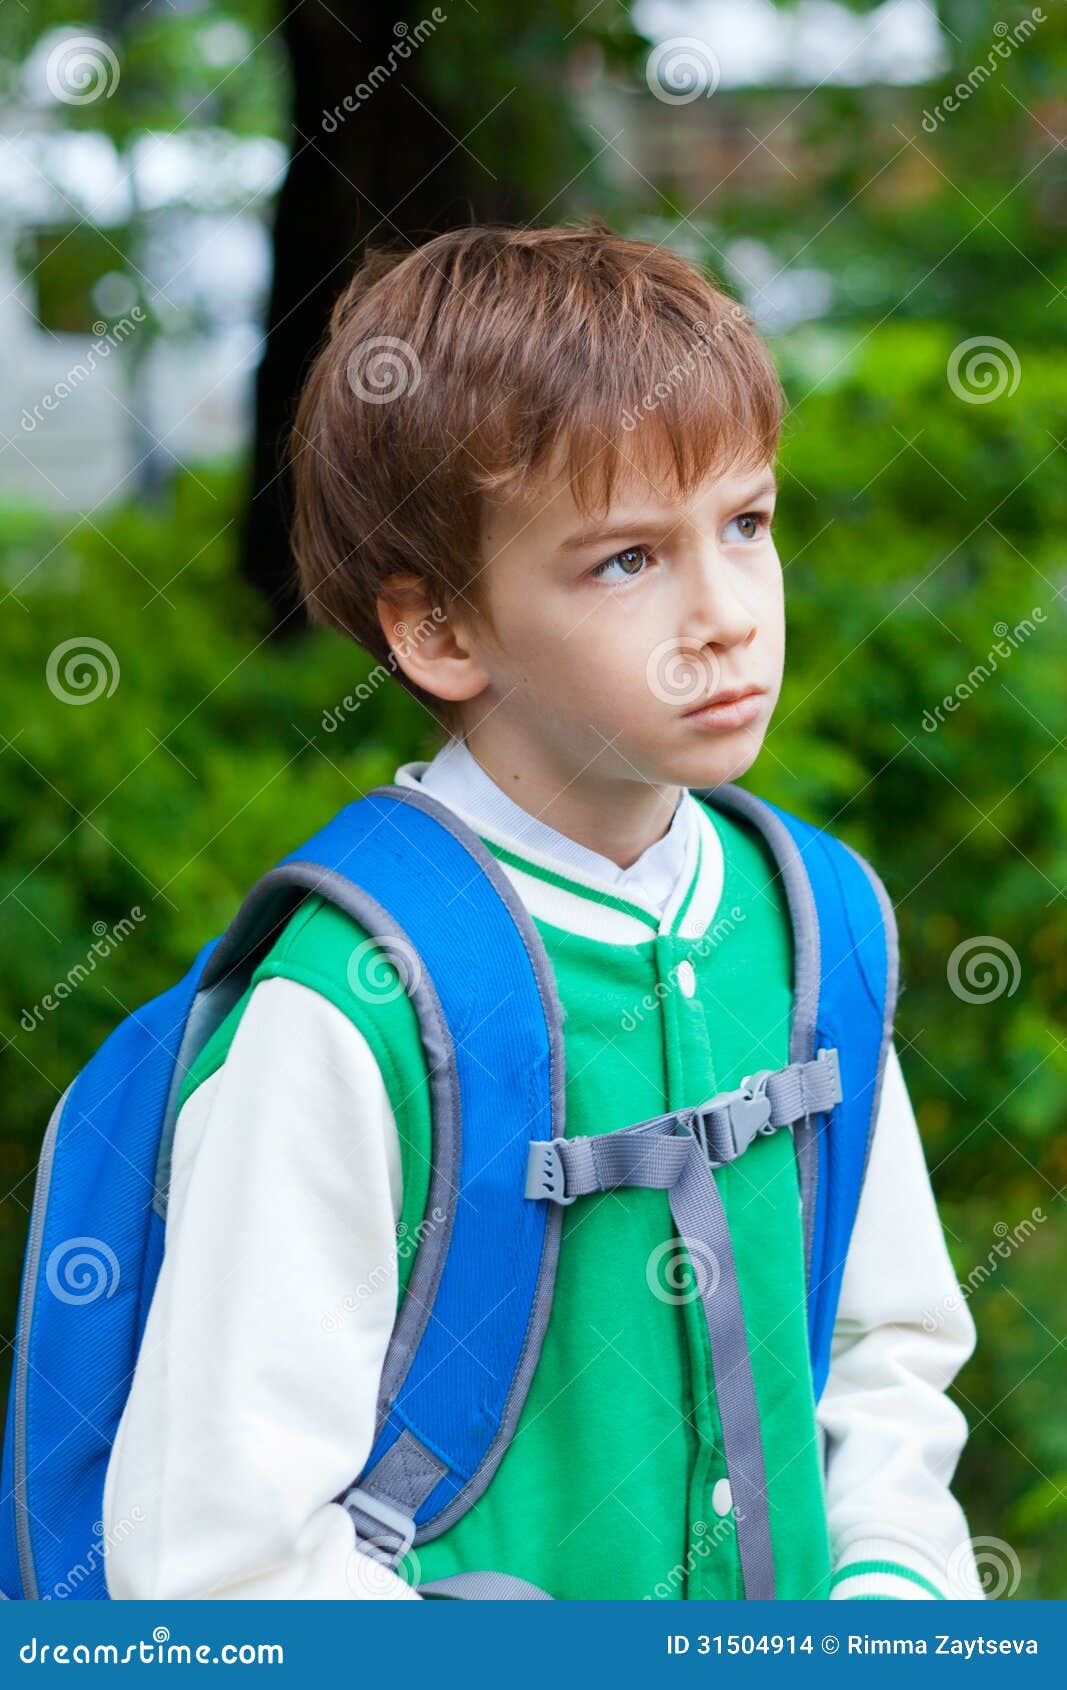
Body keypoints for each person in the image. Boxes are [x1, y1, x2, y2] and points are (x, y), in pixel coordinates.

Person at [103, 220, 982, 1601]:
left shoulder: (814, 924)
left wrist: (892, 1596)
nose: (728, 613)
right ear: (440, 629)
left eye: (747, 524)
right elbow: (223, 1561)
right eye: (627, 559)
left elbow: (888, 1360)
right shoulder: (347, 1009)